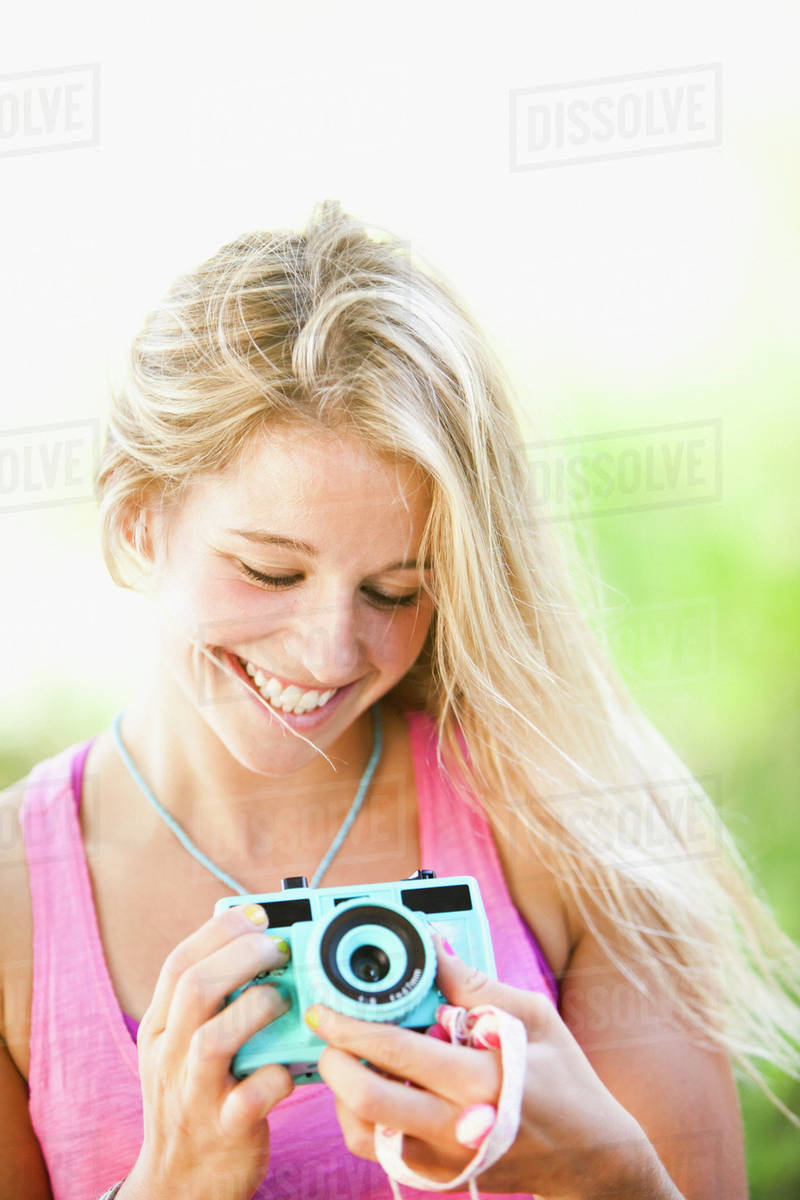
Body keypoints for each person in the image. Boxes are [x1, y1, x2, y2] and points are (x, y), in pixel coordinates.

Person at [1, 199, 798, 1200]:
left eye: (395, 591)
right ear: (136, 523)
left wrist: (605, 1174)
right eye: (270, 572)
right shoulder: (14, 904)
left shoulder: (572, 813)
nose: (334, 650)